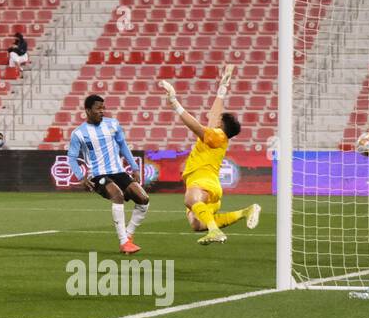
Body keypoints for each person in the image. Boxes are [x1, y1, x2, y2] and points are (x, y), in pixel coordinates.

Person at [160, 65, 261, 245]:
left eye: (218, 119)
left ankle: (215, 232)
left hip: (203, 183)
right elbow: (215, 113)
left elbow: (196, 127)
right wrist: (223, 87)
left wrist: (174, 102)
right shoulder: (219, 136)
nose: (213, 117)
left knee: (190, 199)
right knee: (197, 224)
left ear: (221, 125)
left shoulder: (217, 136)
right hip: (209, 186)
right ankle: (245, 212)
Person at [68, 94, 152, 255]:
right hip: (98, 175)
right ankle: (124, 242)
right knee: (117, 195)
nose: (102, 111)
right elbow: (71, 158)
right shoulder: (78, 133)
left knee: (144, 200)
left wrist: (134, 167)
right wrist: (80, 176)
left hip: (118, 172)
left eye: (103, 108)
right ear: (88, 110)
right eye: (98, 108)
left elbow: (123, 145)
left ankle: (128, 234)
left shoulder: (113, 124)